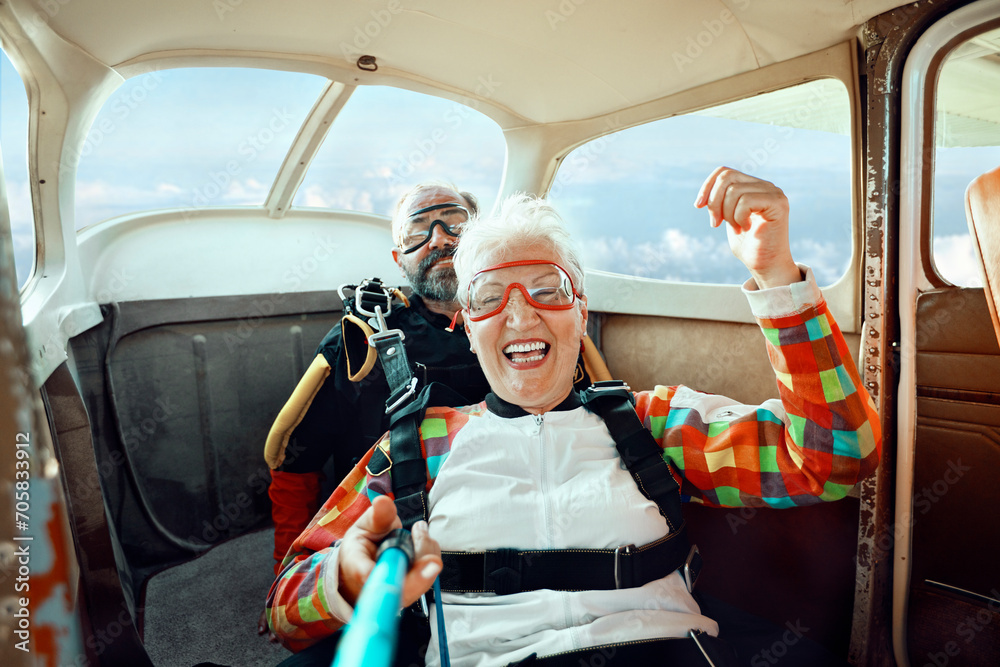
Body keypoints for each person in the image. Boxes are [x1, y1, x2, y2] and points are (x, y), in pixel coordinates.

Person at [265, 167, 882, 666]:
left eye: (549, 288)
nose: (521, 315)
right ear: (467, 326)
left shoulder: (652, 422)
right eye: (488, 298)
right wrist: (346, 576)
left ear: (580, 311)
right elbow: (284, 605)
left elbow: (837, 456)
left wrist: (778, 279)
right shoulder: (419, 445)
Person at [258, 183, 490, 637]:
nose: (439, 239)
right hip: (391, 539)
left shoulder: (527, 325)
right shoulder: (361, 343)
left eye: (455, 223)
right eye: (418, 230)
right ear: (398, 258)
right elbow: (294, 463)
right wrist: (288, 573)